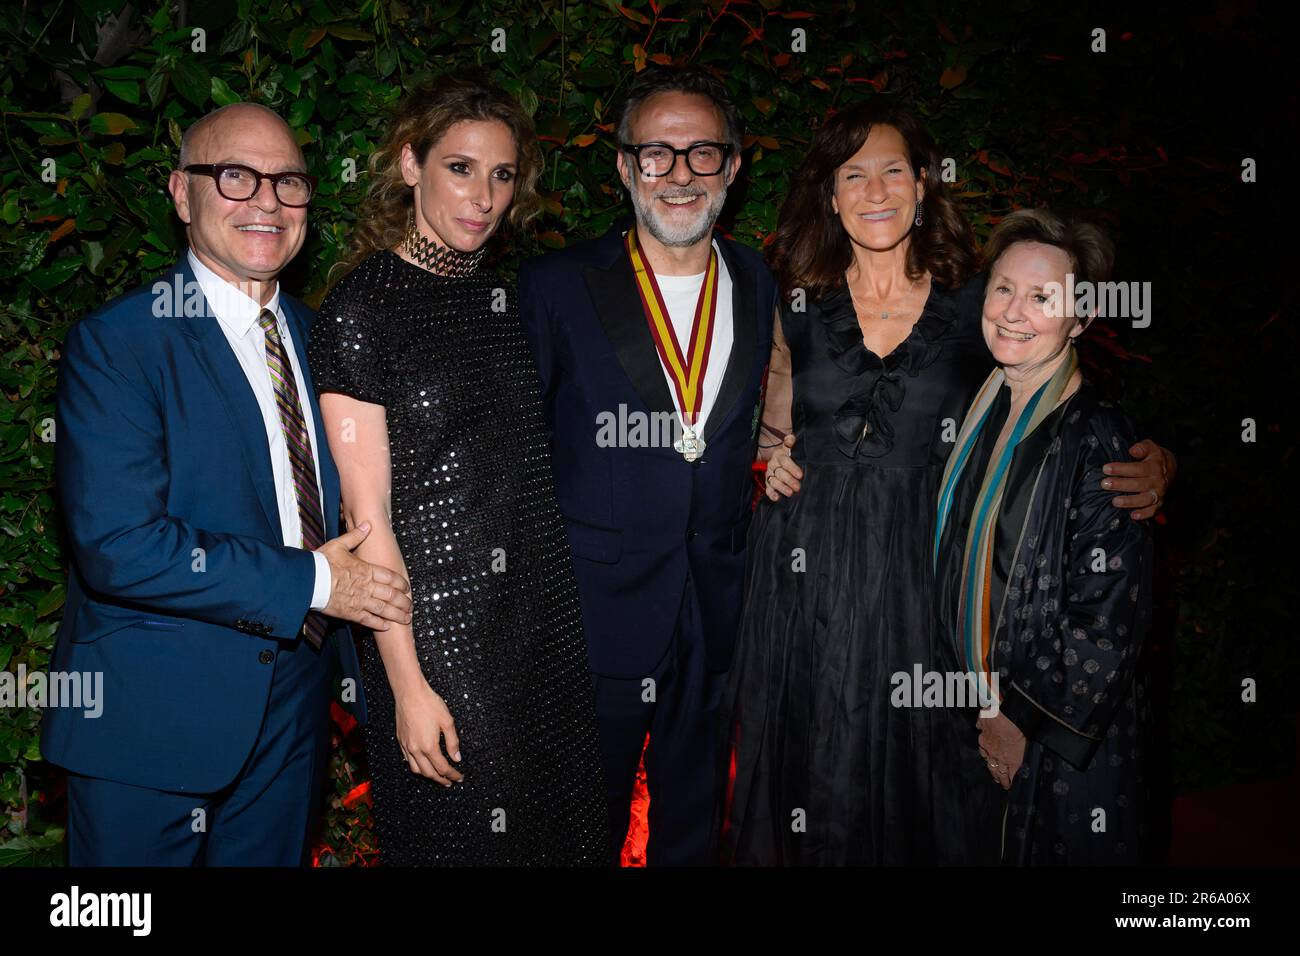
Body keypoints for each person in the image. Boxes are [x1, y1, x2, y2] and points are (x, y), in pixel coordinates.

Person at [717, 101, 1173, 865]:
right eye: (852, 174)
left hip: (931, 578)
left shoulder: (977, 305)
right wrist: (768, 462)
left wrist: (1158, 459)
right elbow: (753, 430)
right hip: (806, 577)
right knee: (813, 762)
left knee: (935, 778)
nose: (875, 189)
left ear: (923, 185)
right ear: (829, 195)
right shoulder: (790, 300)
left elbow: (1056, 404)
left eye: (893, 169)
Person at [43, 102, 414, 866]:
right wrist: (318, 582)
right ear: (183, 194)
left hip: (293, 712)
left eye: (288, 182)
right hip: (149, 722)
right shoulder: (120, 343)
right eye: (236, 177)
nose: (267, 202)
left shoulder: (327, 340)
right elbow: (118, 545)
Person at [307, 75, 608, 865]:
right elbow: (364, 516)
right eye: (460, 167)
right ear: (410, 165)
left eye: (502, 175)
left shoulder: (499, 300)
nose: (483, 196)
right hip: (439, 636)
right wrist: (408, 685)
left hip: (538, 621)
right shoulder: (359, 310)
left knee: (559, 838)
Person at [518, 65, 779, 865]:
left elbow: (762, 418)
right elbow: (518, 453)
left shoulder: (761, 280)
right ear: (626, 168)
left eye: (702, 154)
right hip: (593, 610)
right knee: (575, 828)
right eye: (656, 155)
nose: (679, 175)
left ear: (733, 168)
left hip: (716, 603)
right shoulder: (557, 284)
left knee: (694, 831)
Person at [935, 209, 1153, 865]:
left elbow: (1108, 621)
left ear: (1080, 319)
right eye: (1003, 288)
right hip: (970, 709)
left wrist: (1016, 719)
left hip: (1052, 737)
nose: (1013, 312)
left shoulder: (1099, 437)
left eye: (1042, 298)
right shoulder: (979, 409)